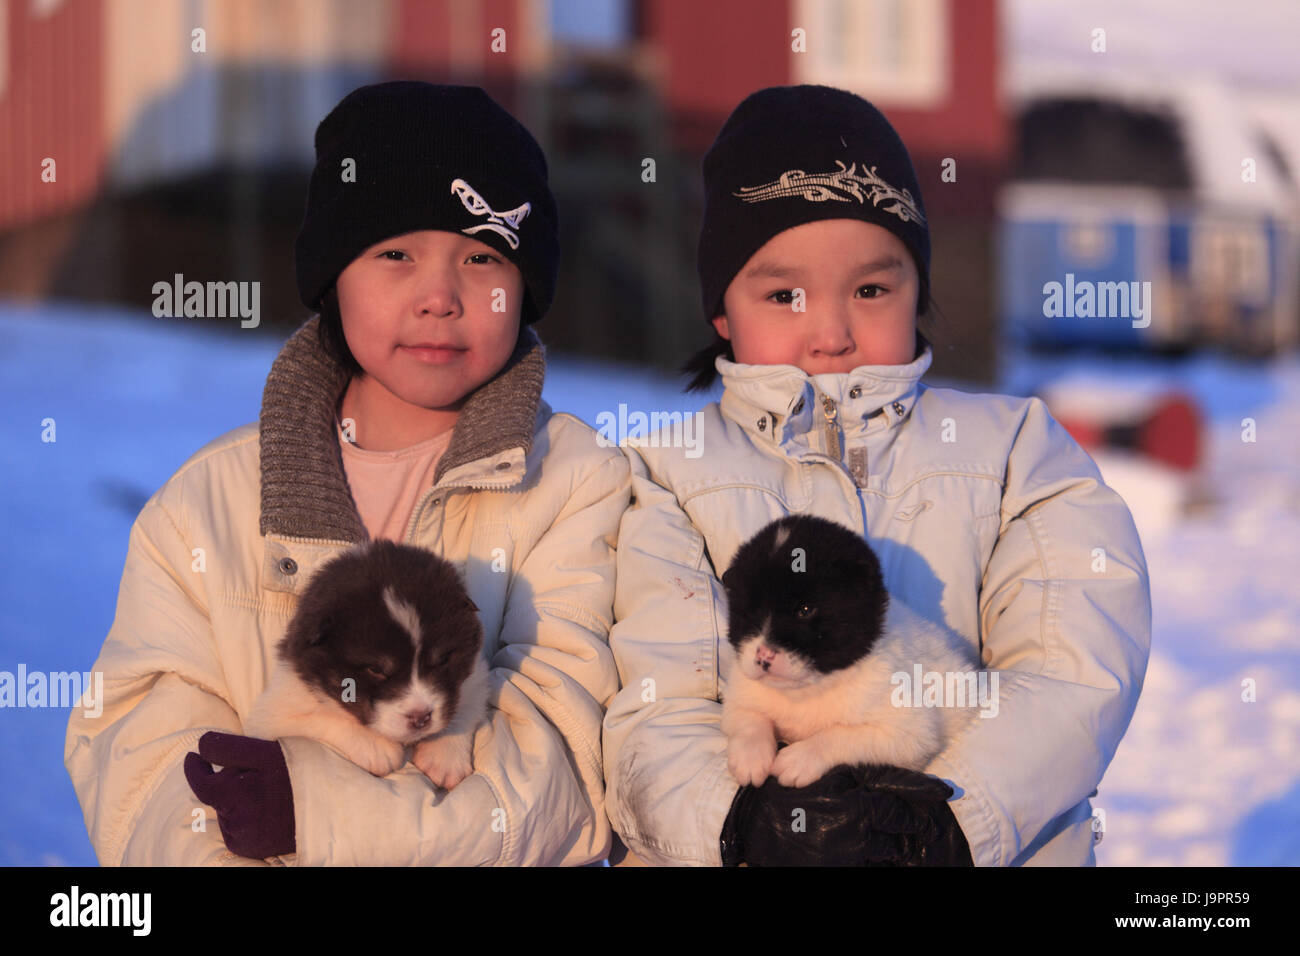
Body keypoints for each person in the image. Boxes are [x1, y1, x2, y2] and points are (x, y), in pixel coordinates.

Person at [64, 81, 631, 866]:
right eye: (394, 253)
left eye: (482, 256)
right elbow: (139, 748)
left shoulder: (576, 484)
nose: (439, 296)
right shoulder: (212, 502)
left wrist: (321, 816)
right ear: (335, 276)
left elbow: (571, 759)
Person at [601, 85, 1152, 866]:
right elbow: (651, 709)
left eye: (870, 289)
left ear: (917, 289)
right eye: (783, 293)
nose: (830, 332)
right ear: (721, 310)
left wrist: (953, 821)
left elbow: (1073, 674)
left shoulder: (1016, 455)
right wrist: (734, 830)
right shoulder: (662, 478)